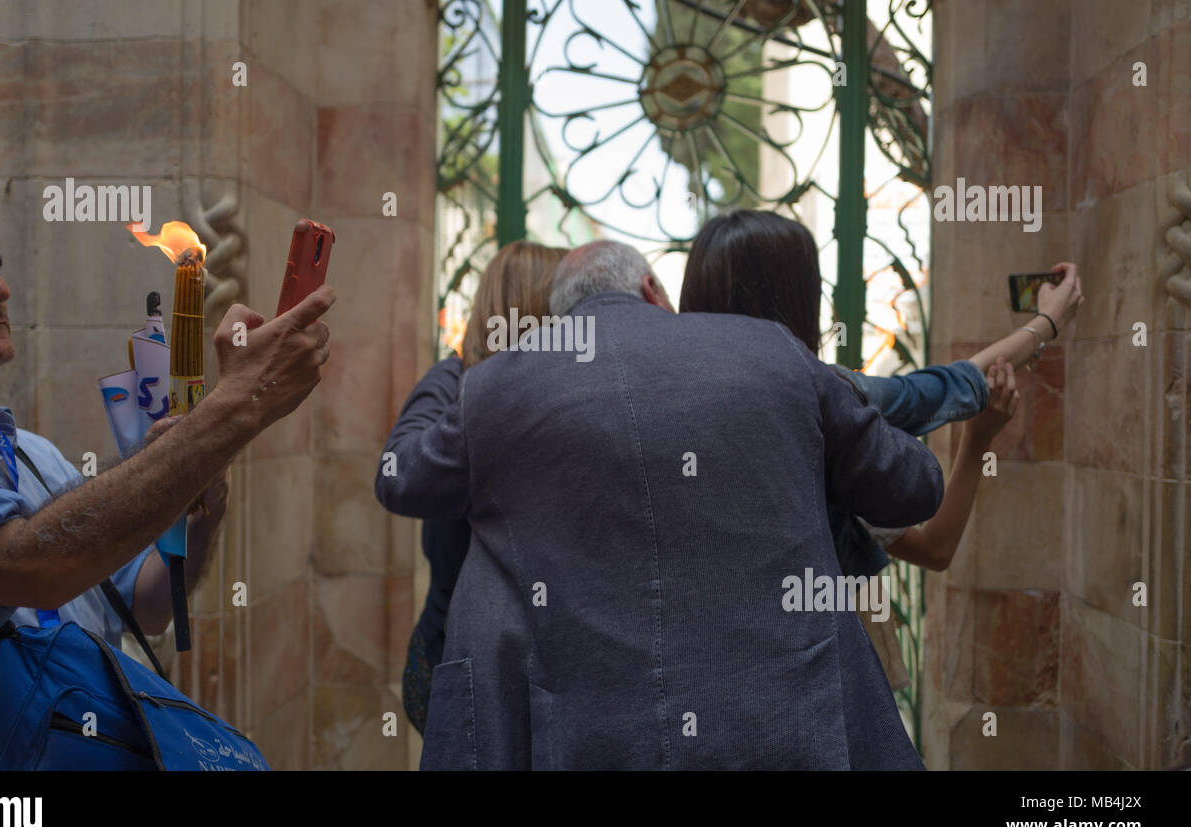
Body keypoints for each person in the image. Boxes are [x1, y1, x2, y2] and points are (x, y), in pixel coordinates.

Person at [376, 238, 944, 769]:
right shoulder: (772, 351)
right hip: (797, 729)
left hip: (579, 741)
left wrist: (456, 365)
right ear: (652, 288)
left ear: (561, 316)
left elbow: (400, 478)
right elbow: (914, 487)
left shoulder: (496, 387)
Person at [0, 199, 335, 769]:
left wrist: (198, 506)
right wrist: (237, 407)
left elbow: (144, 606)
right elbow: (29, 569)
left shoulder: (34, 455)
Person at [679, 208, 1083, 685]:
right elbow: (946, 388)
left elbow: (932, 545)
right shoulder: (826, 399)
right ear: (797, 299)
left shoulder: (667, 411)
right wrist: (1047, 322)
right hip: (827, 674)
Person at [400, 241, 567, 734]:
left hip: (453, 659)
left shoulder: (461, 389)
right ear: (541, 311)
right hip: (463, 667)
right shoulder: (474, 395)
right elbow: (395, 474)